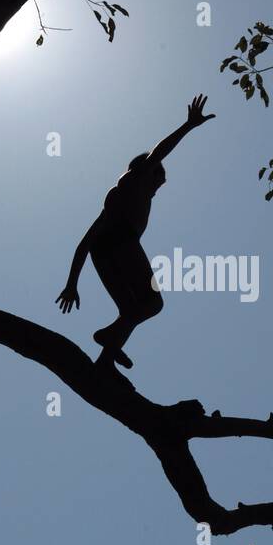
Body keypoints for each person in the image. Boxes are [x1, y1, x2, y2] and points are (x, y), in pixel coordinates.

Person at [56, 95, 215, 368]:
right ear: (148, 173)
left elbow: (87, 241)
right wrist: (188, 126)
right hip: (121, 244)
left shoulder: (118, 202)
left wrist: (72, 283)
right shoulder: (133, 181)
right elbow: (159, 152)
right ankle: (107, 337)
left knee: (132, 310)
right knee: (153, 304)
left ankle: (105, 361)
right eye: (159, 182)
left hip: (103, 251)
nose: (158, 190)